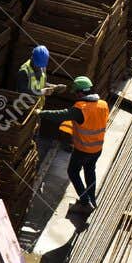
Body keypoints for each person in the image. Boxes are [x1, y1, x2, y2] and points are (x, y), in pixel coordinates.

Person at [40, 76, 108, 212]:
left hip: (83, 149)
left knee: (73, 172)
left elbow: (60, 115)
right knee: (90, 172)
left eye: (76, 93)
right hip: (97, 149)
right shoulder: (103, 104)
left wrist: (41, 113)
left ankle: (85, 201)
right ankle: (92, 199)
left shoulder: (81, 109)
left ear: (80, 93)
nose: (76, 96)